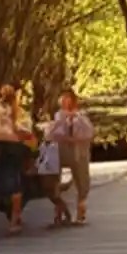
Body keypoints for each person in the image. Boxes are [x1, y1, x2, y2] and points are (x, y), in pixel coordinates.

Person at [0, 85, 32, 234]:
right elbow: (16, 129)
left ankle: (14, 217)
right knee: (11, 183)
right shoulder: (7, 109)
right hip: (8, 147)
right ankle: (14, 216)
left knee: (10, 182)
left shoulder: (6, 109)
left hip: (6, 148)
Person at [50, 88, 95, 225]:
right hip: (60, 148)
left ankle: (81, 207)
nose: (64, 101)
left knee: (81, 177)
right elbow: (53, 133)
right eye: (62, 98)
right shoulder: (58, 115)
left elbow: (88, 133)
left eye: (67, 98)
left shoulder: (81, 116)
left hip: (78, 150)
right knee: (52, 177)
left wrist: (75, 121)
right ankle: (58, 206)